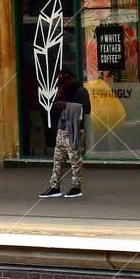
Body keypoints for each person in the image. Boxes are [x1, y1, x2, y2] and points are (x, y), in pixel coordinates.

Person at [39, 71, 89, 199]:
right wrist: (60, 90)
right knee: (57, 159)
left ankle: (76, 186)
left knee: (75, 160)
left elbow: (87, 109)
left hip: (75, 129)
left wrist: (67, 105)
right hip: (62, 128)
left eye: (64, 82)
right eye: (61, 83)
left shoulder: (81, 91)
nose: (63, 84)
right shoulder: (64, 90)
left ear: (71, 79)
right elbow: (56, 103)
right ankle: (55, 186)